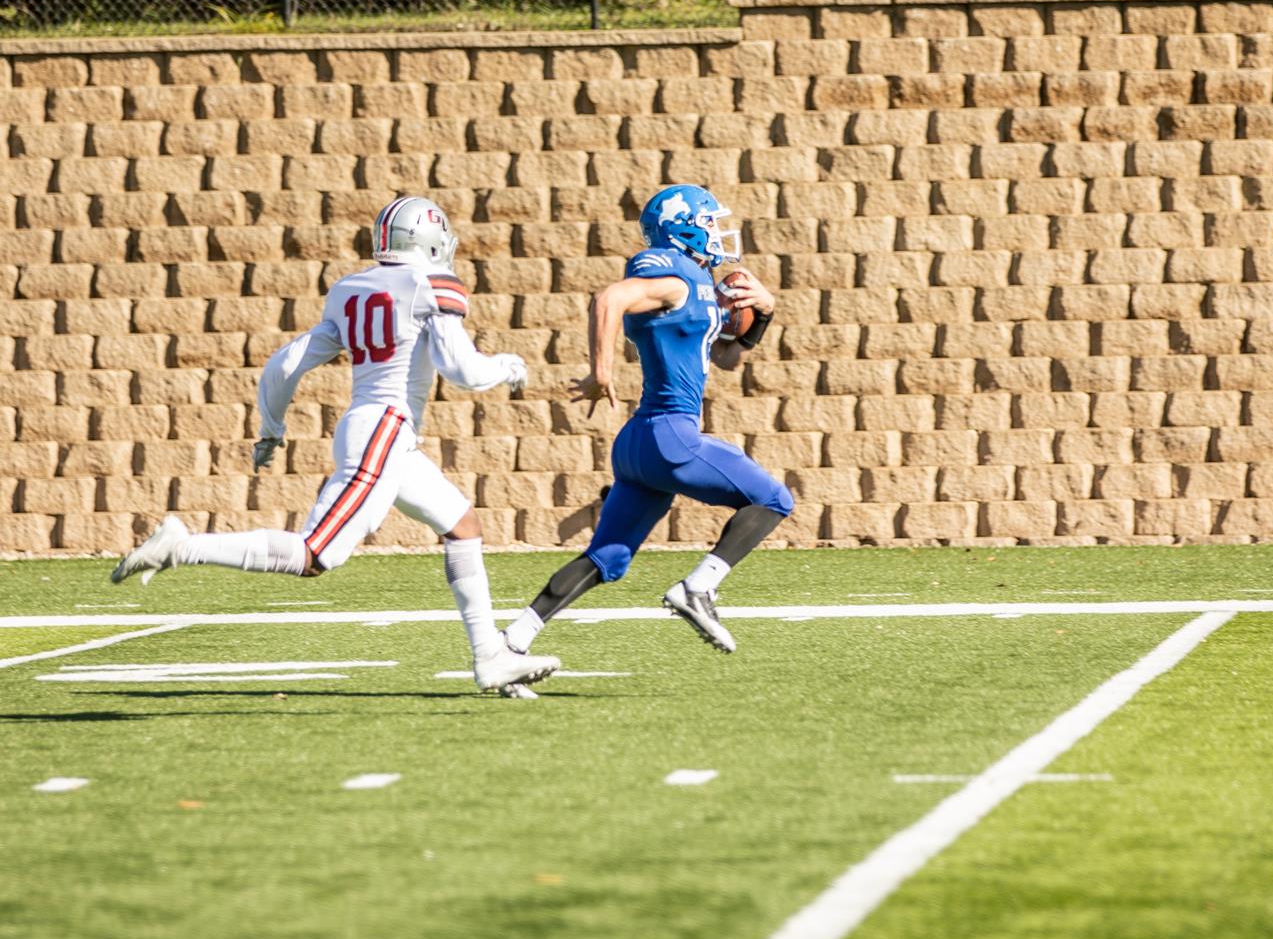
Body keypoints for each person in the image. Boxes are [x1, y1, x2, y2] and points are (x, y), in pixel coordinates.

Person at [111, 196, 560, 696]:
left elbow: (286, 363)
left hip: (377, 429)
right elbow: (464, 371)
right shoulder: (432, 285)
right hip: (386, 430)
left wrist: (272, 427)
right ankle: (183, 546)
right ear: (431, 239)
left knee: (461, 524)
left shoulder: (350, 290)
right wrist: (508, 366)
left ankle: (490, 657)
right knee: (315, 555)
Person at [502, 184, 792, 658]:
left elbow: (727, 357)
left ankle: (512, 642)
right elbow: (609, 299)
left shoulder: (691, 287)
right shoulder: (674, 278)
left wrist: (763, 312)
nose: (716, 232)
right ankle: (699, 588)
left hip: (638, 444)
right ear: (685, 229)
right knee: (774, 499)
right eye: (708, 222)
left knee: (606, 559)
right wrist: (602, 372)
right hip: (670, 438)